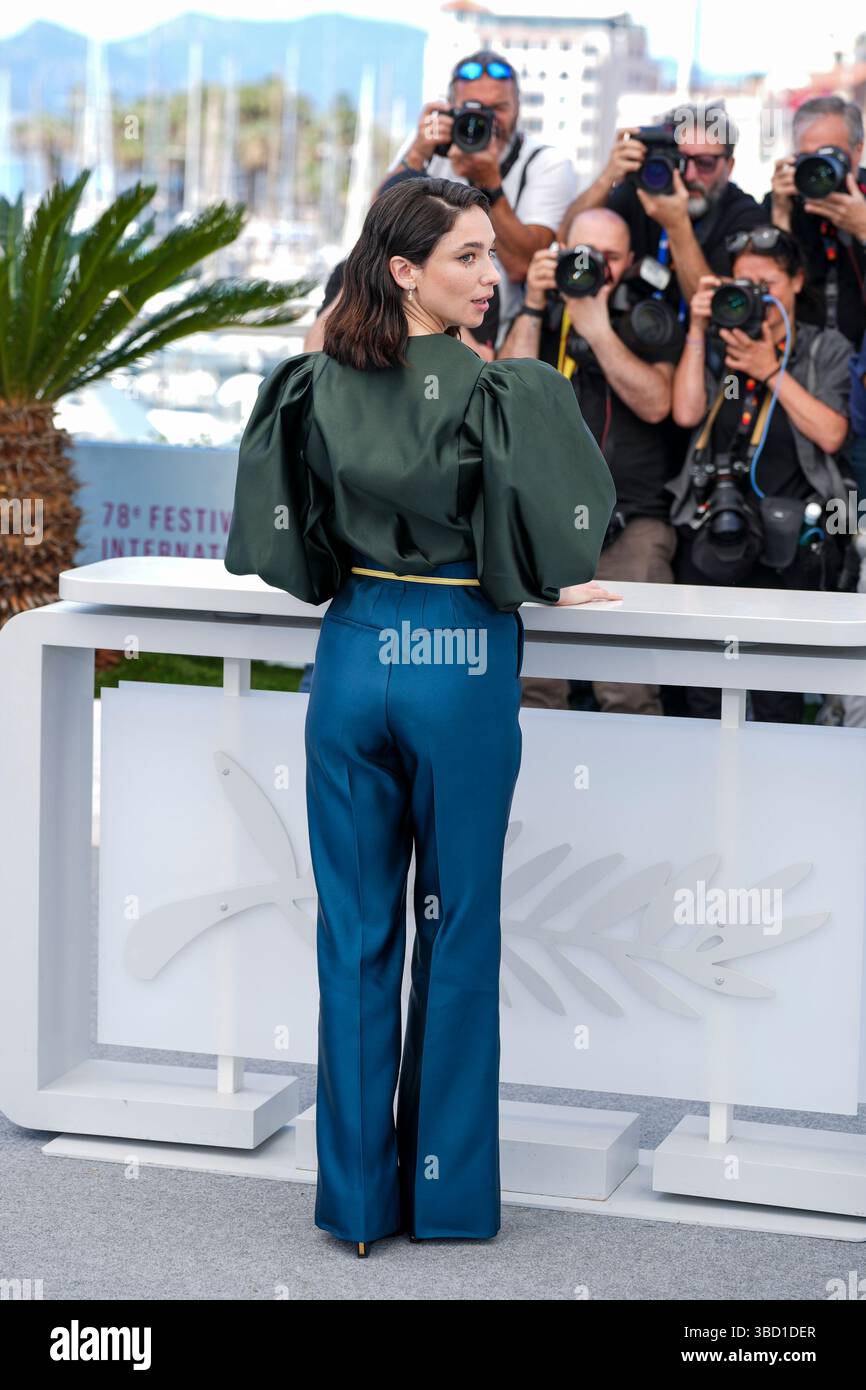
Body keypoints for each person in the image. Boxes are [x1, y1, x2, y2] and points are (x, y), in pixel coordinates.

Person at [223, 178, 618, 1256]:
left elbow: (286, 557)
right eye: (466, 259)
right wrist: (561, 577)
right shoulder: (505, 392)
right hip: (458, 664)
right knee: (457, 932)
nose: (488, 278)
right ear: (405, 270)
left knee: (353, 939)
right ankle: (441, 1200)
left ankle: (355, 1208)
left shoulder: (306, 386)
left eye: (490, 258)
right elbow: (556, 545)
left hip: (351, 662)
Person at [498, 207, 678, 716]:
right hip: (540, 522)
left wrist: (599, 329)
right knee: (534, 684)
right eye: (583, 252)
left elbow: (657, 403)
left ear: (631, 262)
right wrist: (534, 305)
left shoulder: (648, 317)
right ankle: (537, 794)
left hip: (632, 520)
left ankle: (633, 794)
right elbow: (502, 396)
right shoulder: (540, 310)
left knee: (626, 689)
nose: (593, 265)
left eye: (610, 256)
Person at [667, 226, 851, 723]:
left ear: (796, 282)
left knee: (776, 694)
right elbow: (686, 413)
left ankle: (777, 798)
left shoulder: (822, 348)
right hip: (712, 528)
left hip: (788, 539)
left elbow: (831, 433)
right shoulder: (720, 345)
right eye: (742, 283)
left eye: (765, 284)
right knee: (703, 691)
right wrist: (698, 331)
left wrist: (770, 370)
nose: (753, 296)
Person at [382, 49, 578, 347]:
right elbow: (378, 229)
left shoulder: (546, 163)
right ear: (450, 109)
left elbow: (521, 266)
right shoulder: (431, 151)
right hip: (417, 321)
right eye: (472, 108)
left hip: (499, 334)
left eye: (499, 108)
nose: (486, 120)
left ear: (518, 108)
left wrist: (490, 184)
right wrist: (417, 152)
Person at [557, 101, 765, 315]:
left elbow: (719, 310)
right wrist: (607, 178)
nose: (690, 175)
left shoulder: (743, 214)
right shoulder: (639, 192)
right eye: (680, 162)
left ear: (729, 166)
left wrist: (677, 227)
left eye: (705, 163)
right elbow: (565, 240)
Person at [766, 95, 866, 349]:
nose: (819, 169)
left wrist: (863, 229)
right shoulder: (783, 199)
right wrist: (780, 213)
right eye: (807, 158)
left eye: (830, 155)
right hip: (801, 355)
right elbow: (770, 287)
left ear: (857, 151)